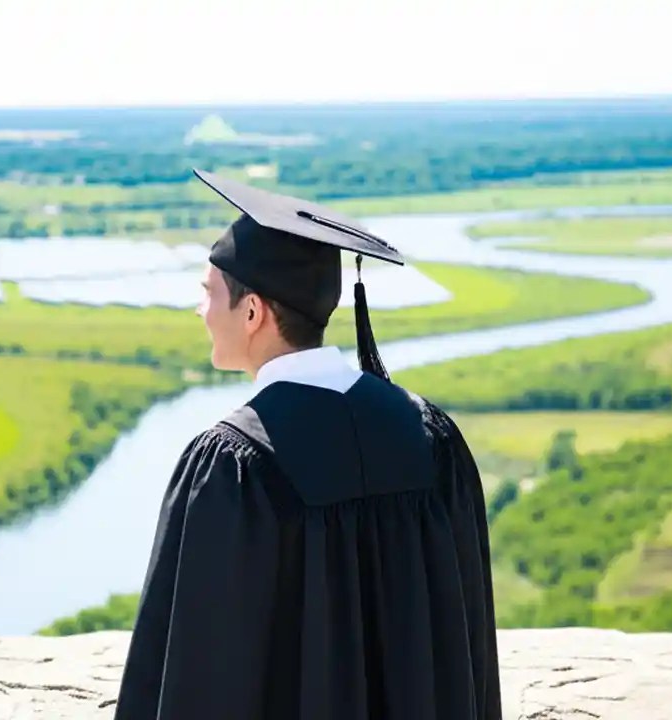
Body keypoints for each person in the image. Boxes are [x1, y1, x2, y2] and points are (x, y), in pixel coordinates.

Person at [114, 170, 501, 720]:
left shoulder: (232, 467)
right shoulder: (431, 437)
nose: (199, 312)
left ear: (252, 313)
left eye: (208, 295)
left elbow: (195, 670)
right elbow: (468, 651)